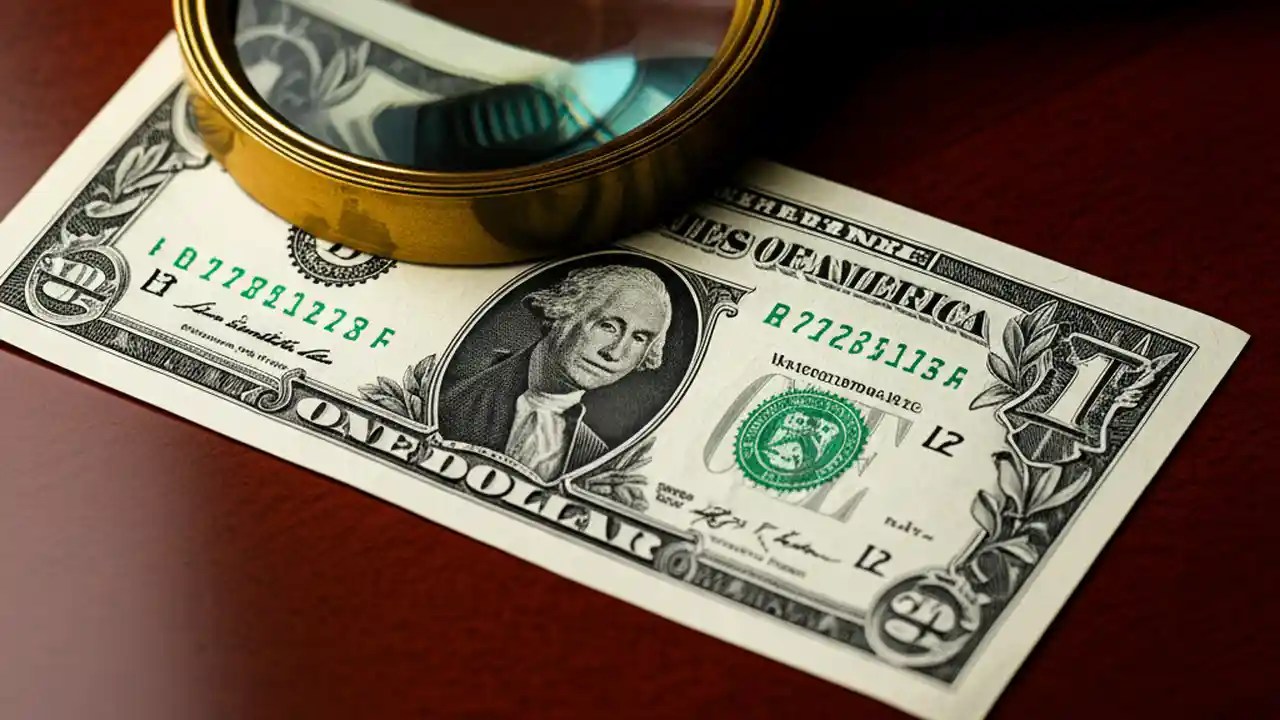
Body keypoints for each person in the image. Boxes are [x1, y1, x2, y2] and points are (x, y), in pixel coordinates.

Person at [438, 264, 673, 479]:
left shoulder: (596, 456)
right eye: (608, 326)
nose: (614, 353)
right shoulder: (447, 396)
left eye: (639, 338)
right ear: (563, 311)